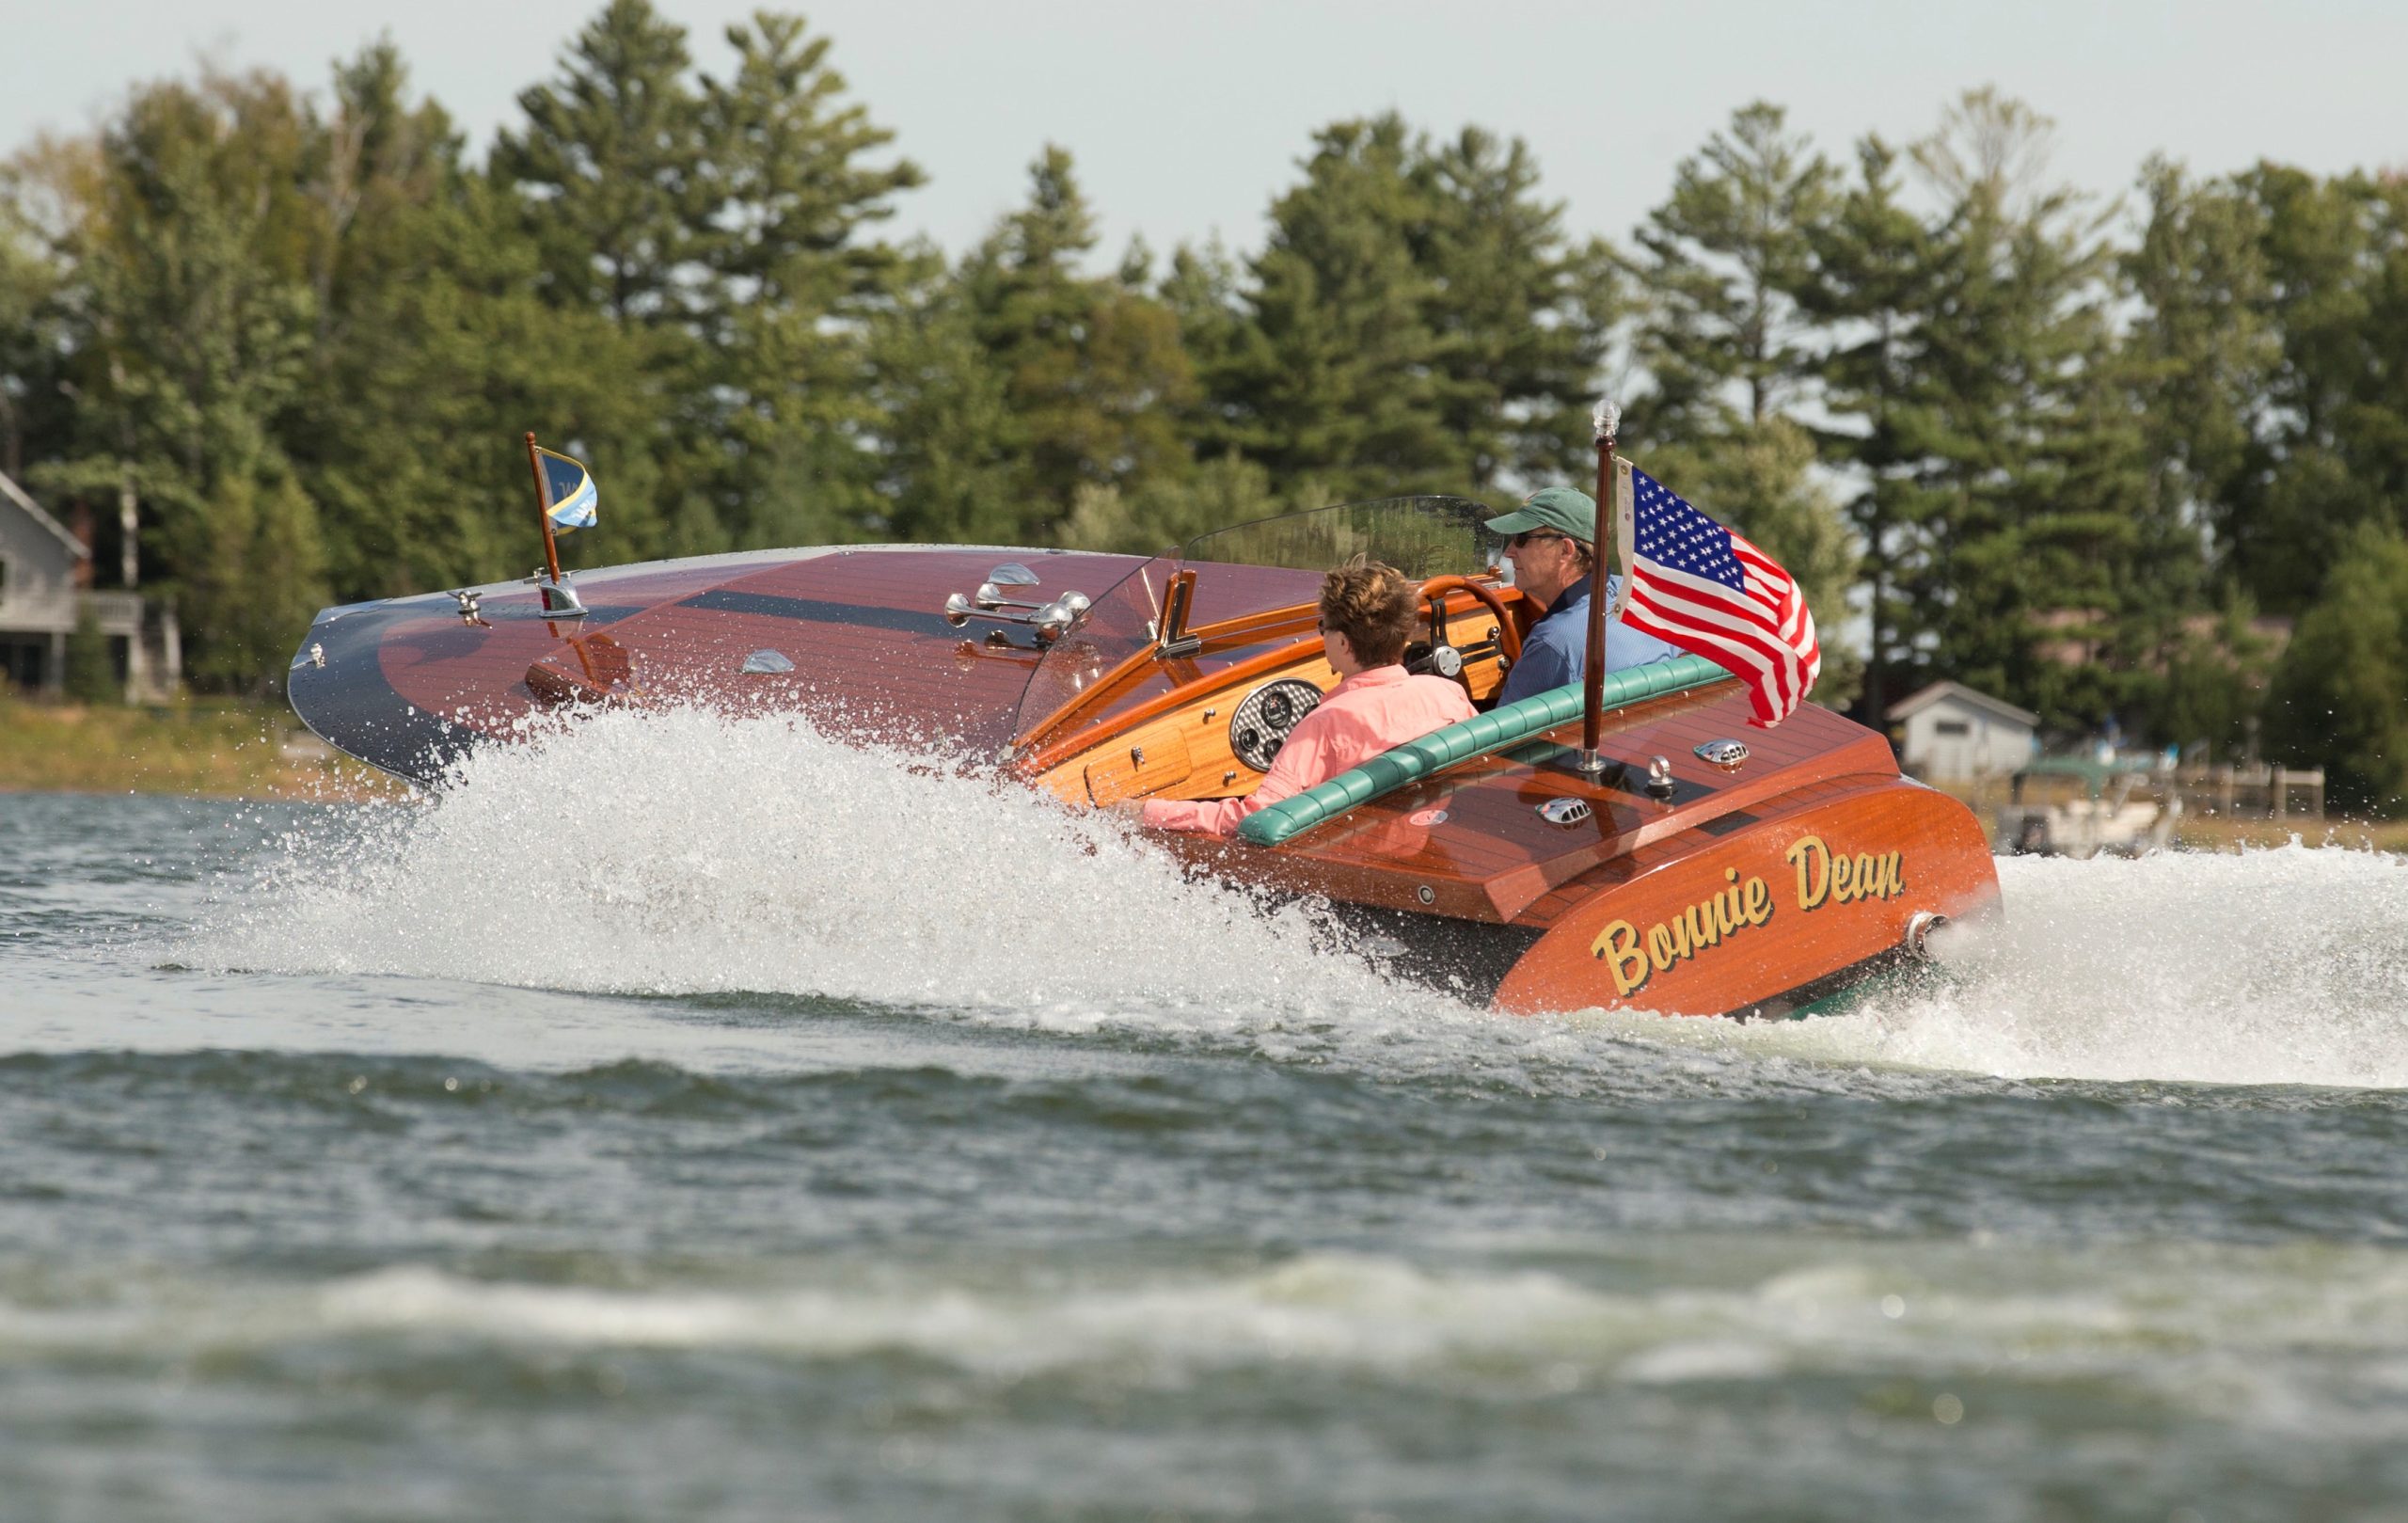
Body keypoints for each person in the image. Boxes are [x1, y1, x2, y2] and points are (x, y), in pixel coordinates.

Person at [1140, 555, 1476, 838]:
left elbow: (1258, 820)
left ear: (1343, 643)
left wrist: (1149, 812)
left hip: (1355, 863)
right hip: (1433, 838)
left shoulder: (1324, 725)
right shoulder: (1448, 694)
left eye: (1322, 628)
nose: (1322, 636)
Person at [1484, 485, 1678, 708]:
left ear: (1565, 550)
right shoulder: (1640, 596)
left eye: (1522, 538)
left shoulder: (1553, 642)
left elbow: (1500, 740)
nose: (1509, 552)